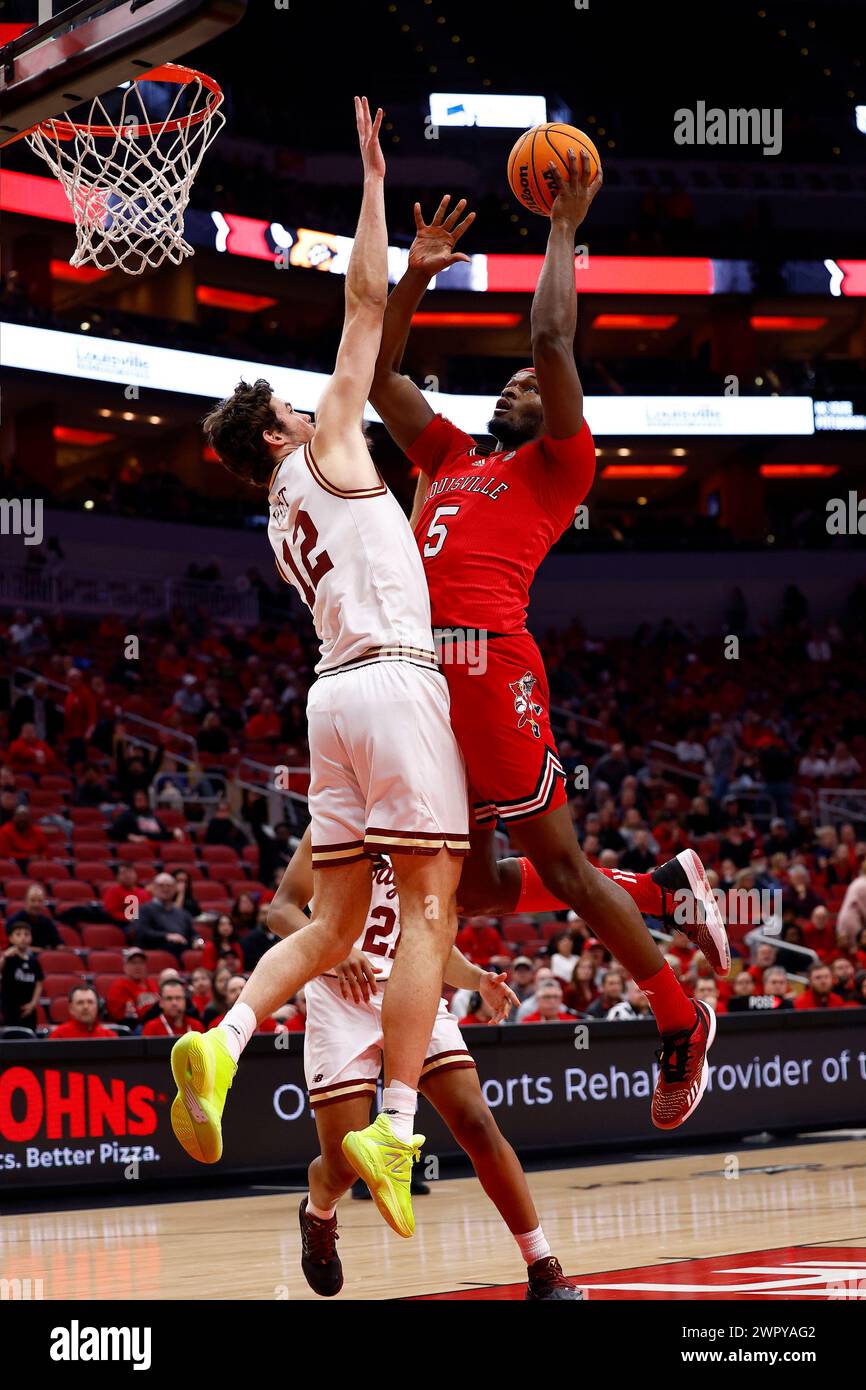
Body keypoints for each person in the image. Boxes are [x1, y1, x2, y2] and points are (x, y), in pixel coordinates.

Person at [370, 147, 726, 1131]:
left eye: (542, 379)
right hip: (421, 682)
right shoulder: (448, 456)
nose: (529, 376)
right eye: (520, 378)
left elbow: (552, 336)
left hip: (487, 669)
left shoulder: (557, 464)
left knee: (561, 871)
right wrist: (411, 276)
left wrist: (562, 225)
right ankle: (651, 889)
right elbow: (379, 374)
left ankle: (674, 1013)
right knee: (481, 889)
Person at [170, 99, 469, 1243]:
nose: (310, 401)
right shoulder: (326, 440)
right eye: (292, 406)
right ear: (275, 434)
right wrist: (373, 176)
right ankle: (394, 1123)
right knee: (429, 906)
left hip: (327, 702)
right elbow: (355, 305)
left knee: (337, 924)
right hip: (393, 681)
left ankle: (227, 1035)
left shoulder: (272, 520)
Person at [273, 827, 580, 1300]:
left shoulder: (428, 830)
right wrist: (335, 950)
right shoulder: (334, 818)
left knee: (476, 1121)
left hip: (412, 987)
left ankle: (542, 1266)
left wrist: (478, 979)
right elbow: (281, 911)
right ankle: (318, 1213)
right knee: (344, 1165)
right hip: (342, 995)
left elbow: (431, 937)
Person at [136, 874, 198, 958]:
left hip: (182, 951)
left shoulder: (183, 913)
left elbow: (193, 934)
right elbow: (142, 932)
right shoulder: (145, 909)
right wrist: (166, 936)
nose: (165, 889)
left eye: (169, 886)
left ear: (175, 889)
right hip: (157, 953)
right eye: (161, 885)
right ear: (154, 888)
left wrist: (198, 941)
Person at [1, 923, 43, 1026]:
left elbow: (39, 983)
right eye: (18, 934)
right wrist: (5, 956)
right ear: (11, 938)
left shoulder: (34, 961)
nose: (23, 938)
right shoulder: (8, 958)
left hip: (28, 1009)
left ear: (31, 938)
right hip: (9, 1008)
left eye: (26, 934)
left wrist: (33, 1004)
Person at [105, 948, 160, 1023]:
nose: (138, 966)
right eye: (133, 963)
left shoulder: (152, 983)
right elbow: (120, 1017)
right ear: (125, 966)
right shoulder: (118, 987)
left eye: (141, 962)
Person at [141, 978, 205, 1037]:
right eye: (169, 998)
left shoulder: (196, 1026)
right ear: (161, 1003)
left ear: (185, 1001)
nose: (174, 1003)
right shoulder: (151, 1028)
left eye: (178, 998)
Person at [5, 883, 61, 950]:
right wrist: (39, 950)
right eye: (33, 900)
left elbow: (58, 943)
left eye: (40, 901)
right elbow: (11, 947)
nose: (36, 904)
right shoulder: (13, 921)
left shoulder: (47, 922)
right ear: (25, 902)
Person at [49, 985, 115, 1039]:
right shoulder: (58, 1036)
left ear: (97, 1006)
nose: (85, 1007)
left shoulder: (109, 1036)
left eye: (90, 1002)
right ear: (71, 1008)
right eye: (80, 1003)